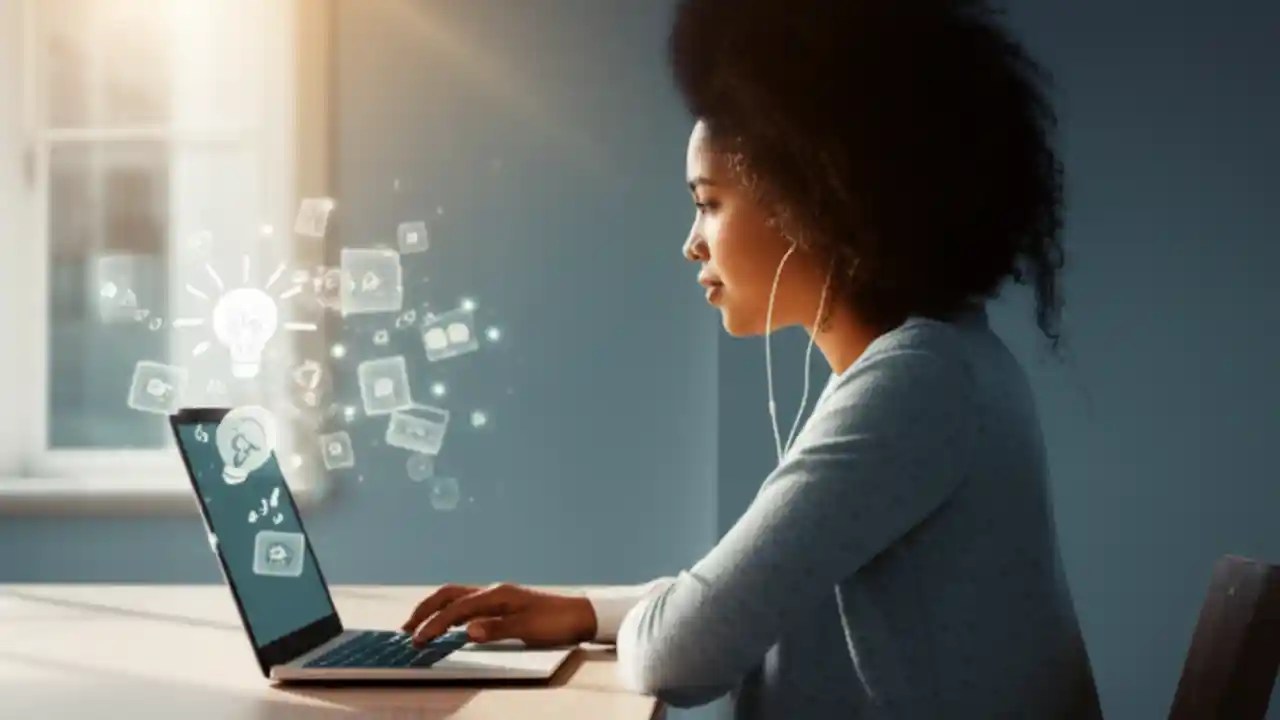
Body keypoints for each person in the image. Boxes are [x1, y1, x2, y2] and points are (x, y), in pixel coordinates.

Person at [401, 0, 1104, 716]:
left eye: (708, 203)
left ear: (816, 202)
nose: (692, 243)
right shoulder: (944, 360)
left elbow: (683, 657)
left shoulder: (919, 382)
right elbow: (738, 598)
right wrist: (584, 612)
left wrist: (634, 618)